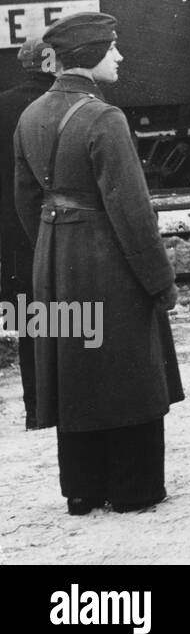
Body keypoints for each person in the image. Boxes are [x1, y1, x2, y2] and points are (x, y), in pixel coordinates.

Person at [13, 12, 184, 514]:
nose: (120, 56)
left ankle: (83, 488)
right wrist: (160, 281)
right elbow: (132, 213)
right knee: (125, 367)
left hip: (53, 254)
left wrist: (52, 245)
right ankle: (134, 488)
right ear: (90, 57)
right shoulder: (104, 118)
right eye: (112, 48)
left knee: (76, 368)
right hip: (106, 258)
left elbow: (27, 200)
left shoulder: (31, 115)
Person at [0, 35, 55, 429]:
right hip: (58, 226)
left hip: (12, 231)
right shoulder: (66, 105)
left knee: (30, 320)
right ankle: (66, 405)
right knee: (77, 316)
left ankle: (35, 409)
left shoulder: (2, 105)